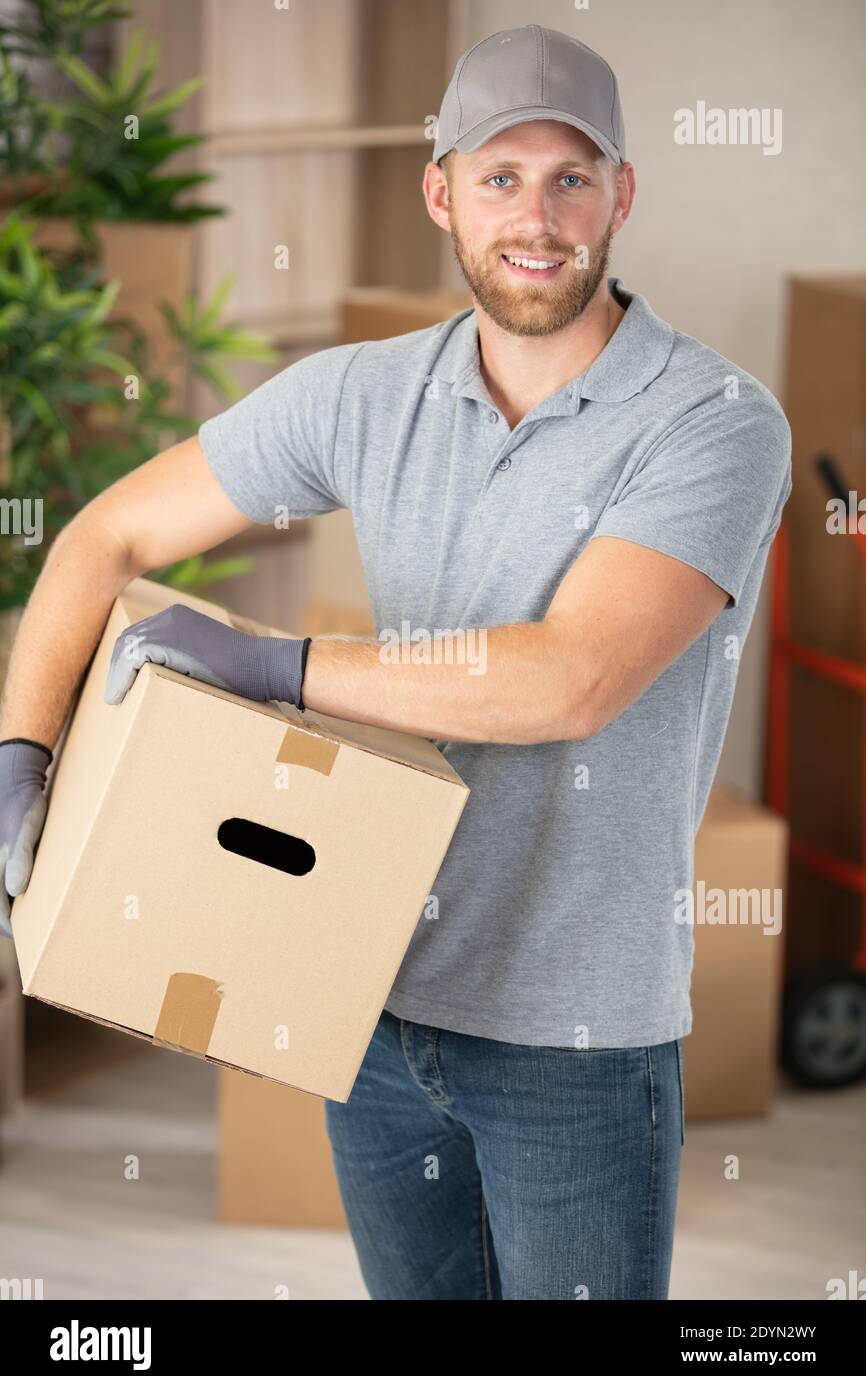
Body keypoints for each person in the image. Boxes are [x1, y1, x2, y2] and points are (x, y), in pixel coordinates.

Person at [0, 25, 791, 1299]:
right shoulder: (366, 396)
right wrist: (20, 757)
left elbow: (567, 678)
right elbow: (106, 534)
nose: (535, 218)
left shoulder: (714, 421)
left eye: (570, 178)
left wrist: (279, 667)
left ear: (621, 196)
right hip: (361, 994)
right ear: (439, 192)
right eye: (497, 177)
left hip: (571, 1037)